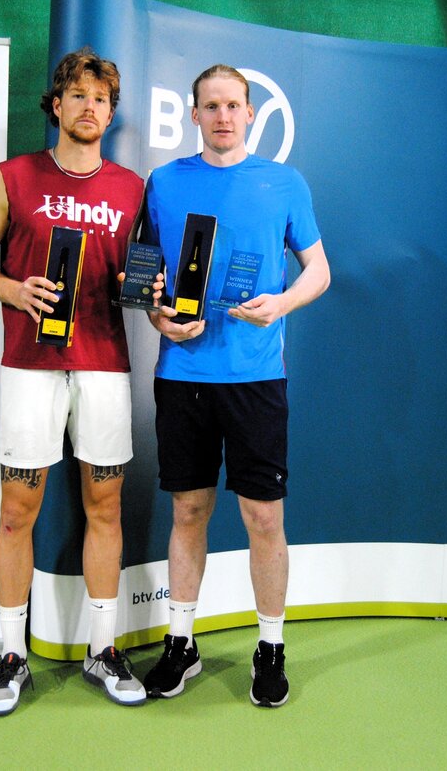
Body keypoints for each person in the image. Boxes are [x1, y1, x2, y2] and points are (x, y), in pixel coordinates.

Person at [0, 47, 148, 715]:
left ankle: (103, 648)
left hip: (103, 364)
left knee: (106, 508)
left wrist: (152, 293)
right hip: (31, 368)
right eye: (79, 96)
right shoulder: (13, 178)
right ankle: (11, 656)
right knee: (17, 512)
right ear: (57, 104)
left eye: (102, 99)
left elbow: (143, 282)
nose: (91, 108)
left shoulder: (131, 188)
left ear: (110, 112)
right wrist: (17, 290)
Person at [140, 64, 330, 708]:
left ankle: (270, 647)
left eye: (233, 105)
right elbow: (147, 287)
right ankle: (181, 642)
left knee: (262, 517)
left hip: (256, 379)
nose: (222, 115)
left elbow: (319, 271)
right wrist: (159, 316)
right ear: (193, 114)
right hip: (183, 378)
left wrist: (281, 304)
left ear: (251, 114)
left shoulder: (284, 182)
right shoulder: (163, 184)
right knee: (188, 512)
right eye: (210, 105)